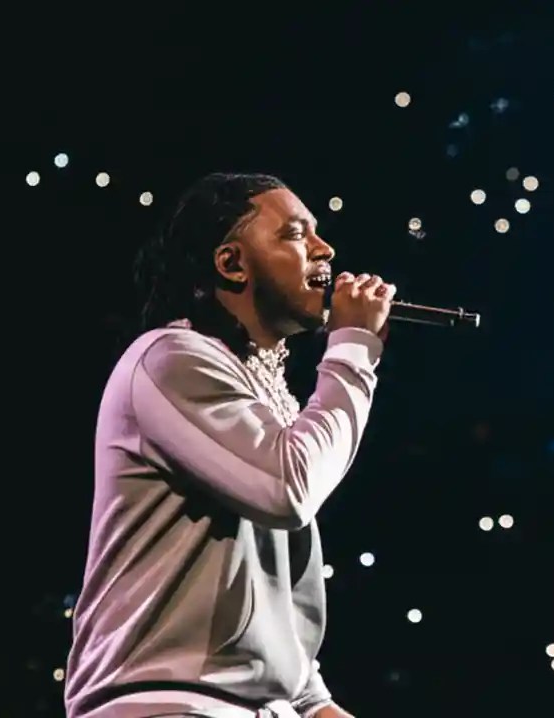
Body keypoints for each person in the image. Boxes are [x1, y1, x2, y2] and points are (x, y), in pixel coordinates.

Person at [64, 172, 395, 718]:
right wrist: (353, 354)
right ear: (232, 264)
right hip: (165, 704)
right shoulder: (171, 358)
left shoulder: (263, 393)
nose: (325, 249)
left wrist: (314, 704)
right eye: (294, 234)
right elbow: (288, 489)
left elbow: (263, 589)